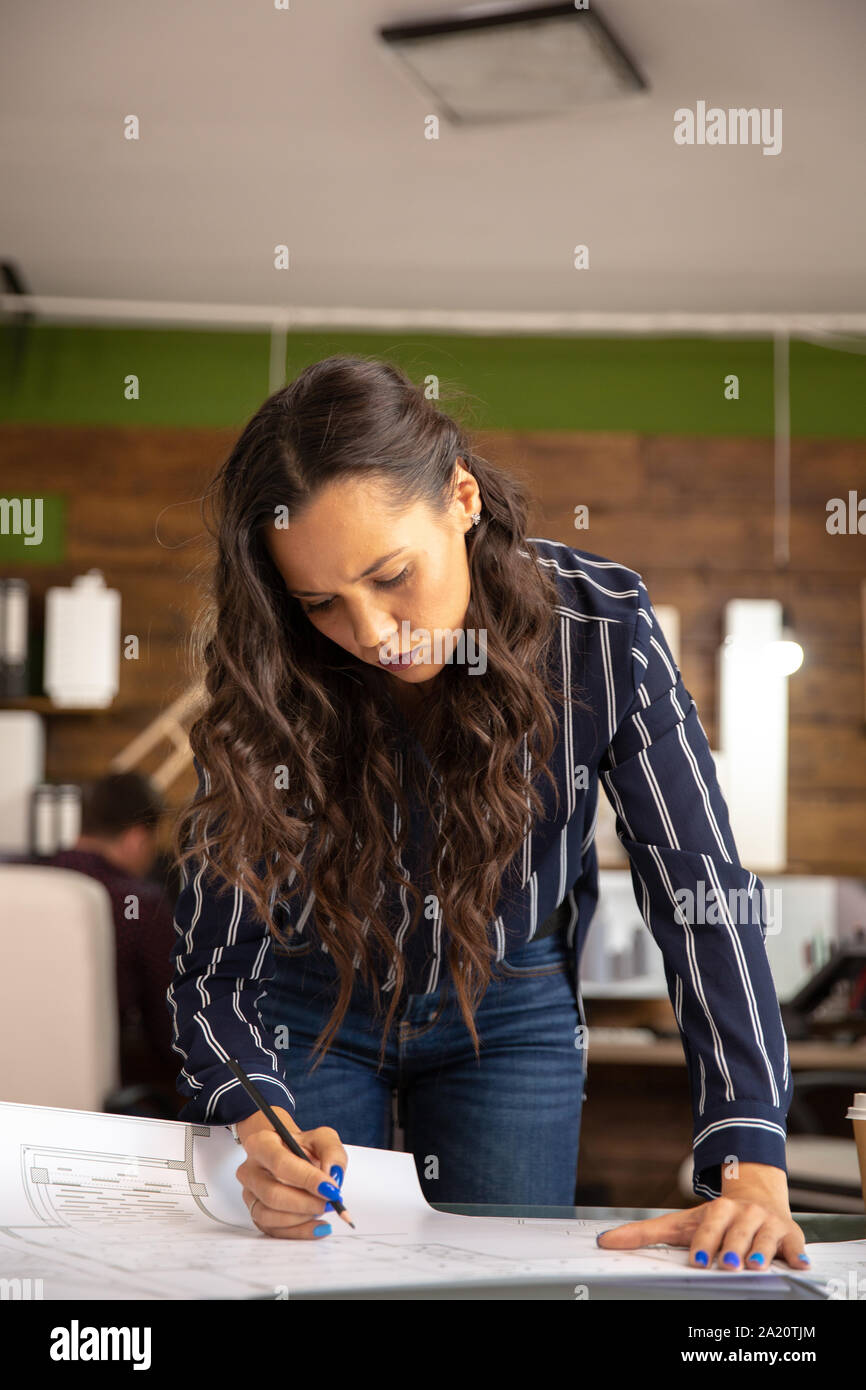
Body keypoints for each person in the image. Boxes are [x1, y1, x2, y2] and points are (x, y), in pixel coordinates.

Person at [169, 354, 809, 1274]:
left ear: (461, 498)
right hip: (306, 1004)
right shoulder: (276, 668)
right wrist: (253, 1112)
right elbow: (214, 967)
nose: (373, 634)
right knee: (305, 1276)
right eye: (322, 603)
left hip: (510, 1009)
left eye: (392, 575)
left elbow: (703, 893)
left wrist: (750, 1156)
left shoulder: (602, 632)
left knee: (502, 1289)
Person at [47, 771, 181, 1108]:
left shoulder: (21, 877)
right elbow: (170, 1033)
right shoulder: (141, 903)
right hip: (93, 1101)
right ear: (137, 838)